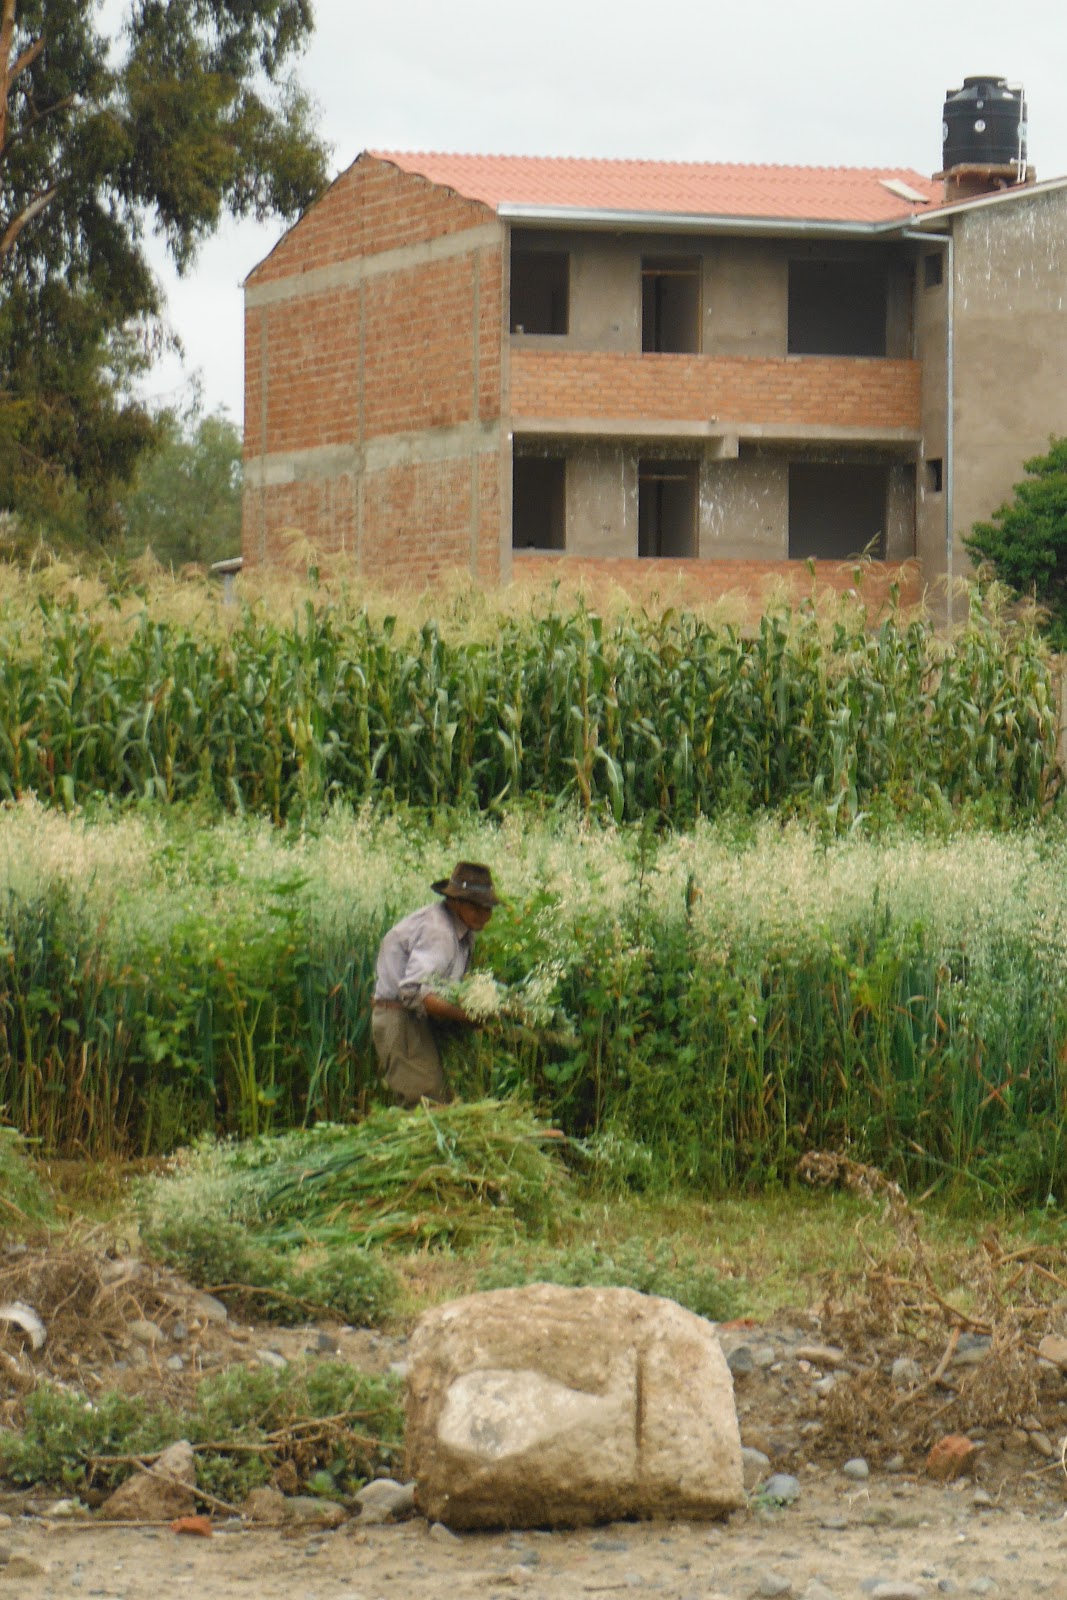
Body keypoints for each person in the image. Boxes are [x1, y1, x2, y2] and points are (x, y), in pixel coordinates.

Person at [371, 861, 500, 1107]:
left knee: (438, 1100)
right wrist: (468, 1015)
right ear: (455, 901)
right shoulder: (439, 932)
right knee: (426, 1104)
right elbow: (414, 993)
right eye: (476, 907)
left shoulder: (462, 931)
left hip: (416, 1020)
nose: (484, 915)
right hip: (401, 1019)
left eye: (488, 908)